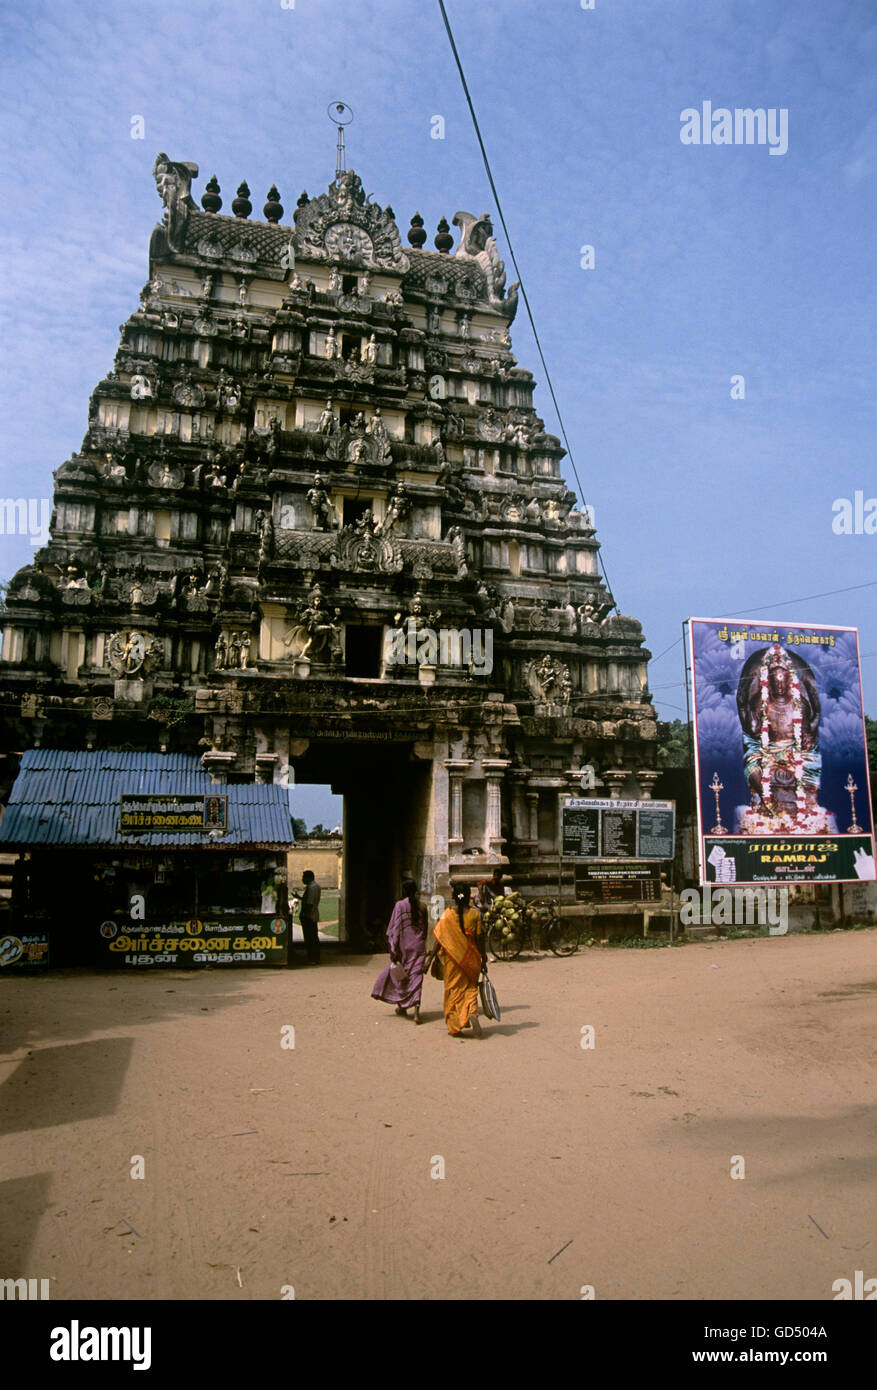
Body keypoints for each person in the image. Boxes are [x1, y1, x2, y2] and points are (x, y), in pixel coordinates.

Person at [425, 884, 485, 1038]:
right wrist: (483, 960)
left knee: (452, 991)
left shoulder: (447, 915)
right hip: (471, 960)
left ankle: (455, 1025)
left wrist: (429, 960)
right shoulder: (475, 915)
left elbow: (438, 940)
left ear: (454, 896)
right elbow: (480, 939)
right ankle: (471, 1012)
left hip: (452, 962)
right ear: (467, 896)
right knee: (471, 988)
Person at [371, 878, 428, 1024]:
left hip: (404, 947)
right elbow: (425, 930)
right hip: (418, 947)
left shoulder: (399, 906)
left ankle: (402, 1005)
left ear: (403, 891)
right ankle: (415, 1013)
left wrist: (392, 948)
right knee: (417, 979)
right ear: (415, 891)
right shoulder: (423, 906)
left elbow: (394, 930)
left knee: (402, 977)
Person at [294, 870, 322, 964]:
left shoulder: (311, 887)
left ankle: (312, 958)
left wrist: (304, 915)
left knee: (310, 938)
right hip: (314, 914)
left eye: (303, 877)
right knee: (314, 937)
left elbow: (309, 904)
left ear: (308, 878)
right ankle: (315, 957)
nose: (302, 879)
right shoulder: (316, 886)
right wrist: (299, 897)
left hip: (309, 916)